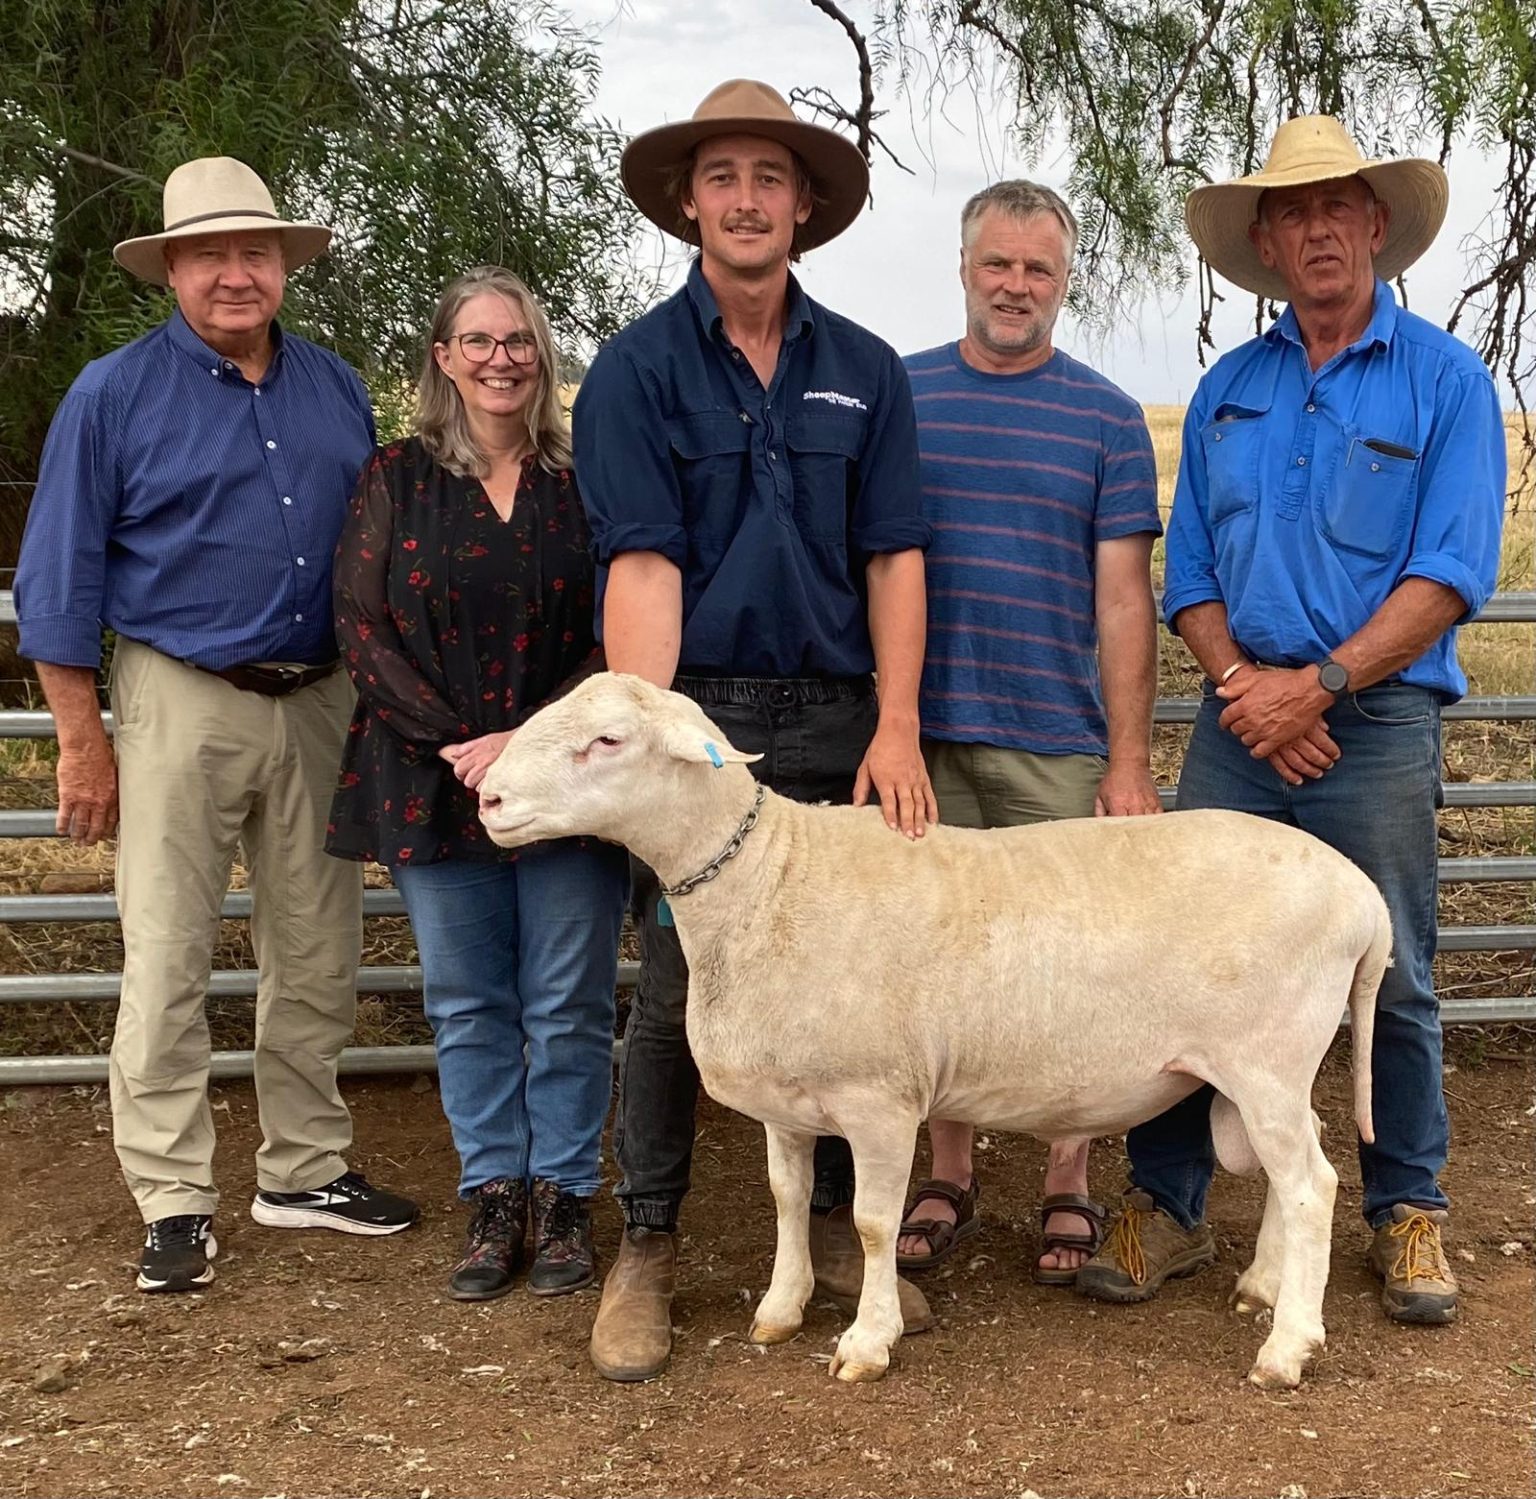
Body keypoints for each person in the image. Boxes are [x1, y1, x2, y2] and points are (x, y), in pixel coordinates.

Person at [1075, 117, 1506, 1325]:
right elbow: (1191, 576)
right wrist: (1248, 692)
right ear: (1266, 239)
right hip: (1240, 717)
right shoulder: (1228, 389)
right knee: (1179, 963)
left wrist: (1315, 688)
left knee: (1393, 966)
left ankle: (1408, 1211)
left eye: (1341, 208)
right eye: (1294, 212)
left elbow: (1452, 568)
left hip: (1371, 723)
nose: (1318, 230)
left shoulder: (1445, 381)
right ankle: (1165, 1208)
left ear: (1376, 226)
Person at [573, 78, 935, 1382]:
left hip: (841, 713)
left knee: (853, 982)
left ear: (805, 206)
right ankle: (649, 1244)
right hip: (704, 714)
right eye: (721, 174)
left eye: (769, 178)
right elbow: (645, 568)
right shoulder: (635, 370)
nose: (745, 198)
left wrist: (896, 723)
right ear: (688, 199)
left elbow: (894, 555)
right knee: (683, 980)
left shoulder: (864, 370)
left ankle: (841, 1241)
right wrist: (658, 751)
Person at [13, 156, 418, 1296]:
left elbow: (375, 548)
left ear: (284, 265)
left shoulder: (335, 387)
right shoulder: (113, 393)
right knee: (169, 950)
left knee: (317, 949)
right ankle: (174, 1194)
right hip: (178, 693)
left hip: (322, 696)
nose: (235, 274)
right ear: (173, 270)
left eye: (255, 253)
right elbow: (59, 580)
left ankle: (302, 1165)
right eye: (210, 255)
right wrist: (81, 740)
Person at [327, 266, 628, 1302]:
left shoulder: (582, 480)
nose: (501, 358)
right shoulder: (395, 477)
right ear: (445, 356)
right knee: (467, 1000)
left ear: (541, 356)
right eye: (479, 340)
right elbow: (359, 625)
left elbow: (615, 631)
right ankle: (495, 1191)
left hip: (568, 782)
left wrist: (528, 740)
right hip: (432, 773)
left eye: (520, 339)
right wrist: (462, 741)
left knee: (570, 999)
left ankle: (568, 1193)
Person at [896, 180, 1163, 1285]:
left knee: (1070, 964)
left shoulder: (1105, 417)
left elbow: (1122, 599)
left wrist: (1131, 763)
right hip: (921, 736)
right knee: (933, 961)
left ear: (1065, 280)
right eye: (998, 264)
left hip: (1055, 733)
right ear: (964, 267)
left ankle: (1066, 1176)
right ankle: (948, 1167)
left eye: (1038, 269)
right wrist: (890, 725)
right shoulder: (897, 397)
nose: (1016, 286)